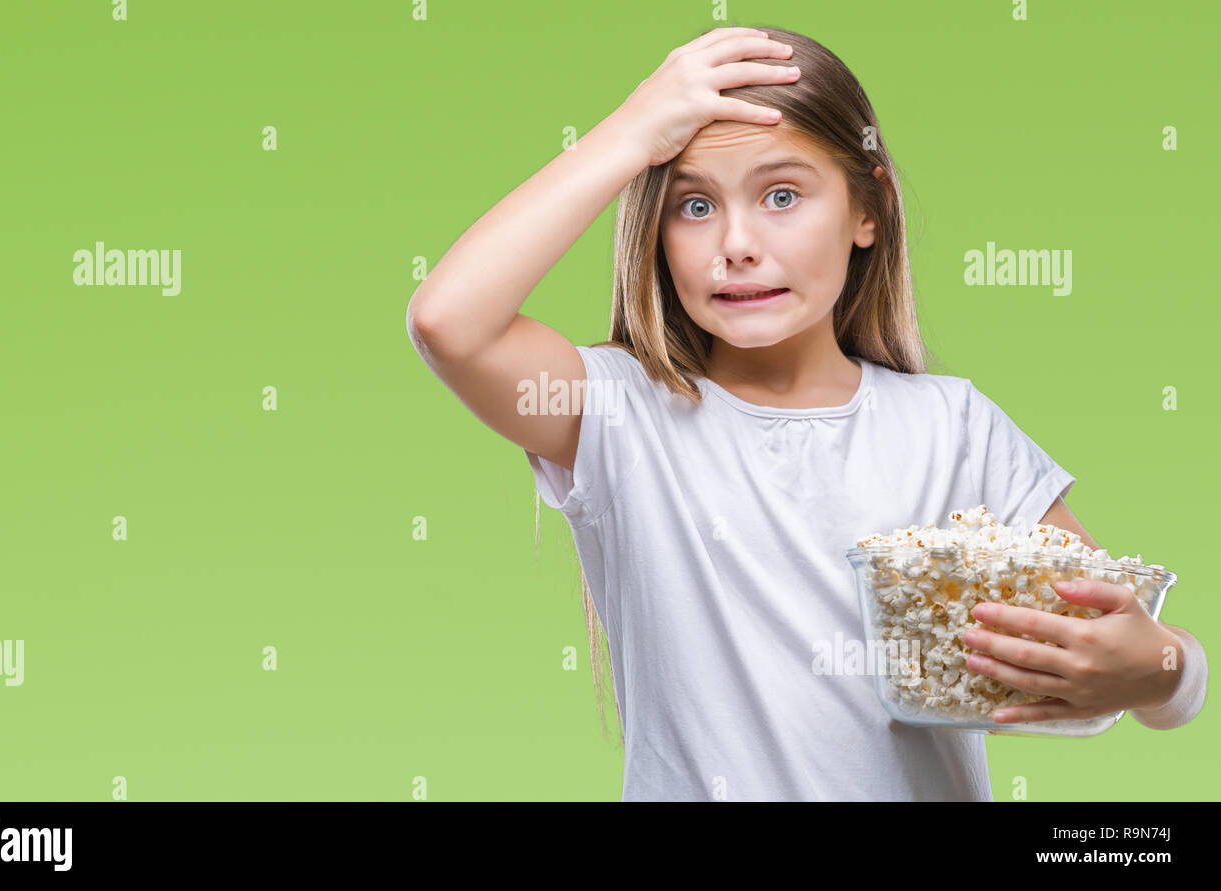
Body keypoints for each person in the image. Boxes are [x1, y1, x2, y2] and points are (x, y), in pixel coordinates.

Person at [406, 25, 1207, 801]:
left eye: (781, 195)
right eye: (693, 206)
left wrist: (1164, 673)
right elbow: (450, 320)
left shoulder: (951, 427)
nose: (737, 242)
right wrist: (631, 132)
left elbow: (1121, 642)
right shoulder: (621, 415)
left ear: (868, 211)